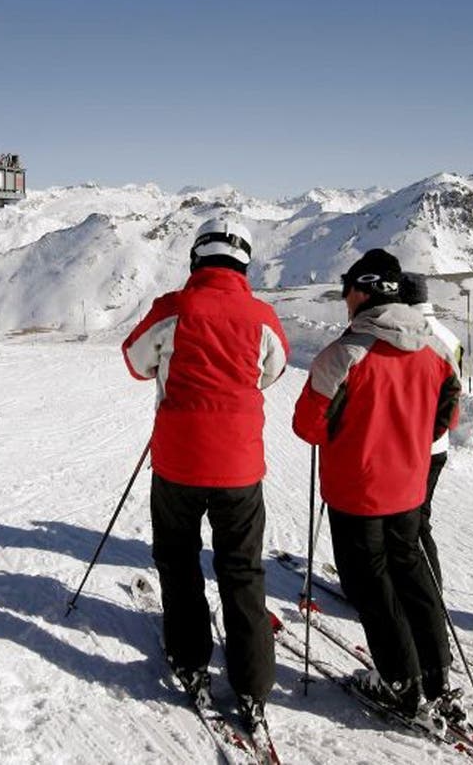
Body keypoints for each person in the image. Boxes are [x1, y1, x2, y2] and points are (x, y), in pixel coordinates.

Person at [122, 216, 288, 738]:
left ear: (197, 258)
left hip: (179, 461)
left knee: (178, 561)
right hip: (240, 466)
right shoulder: (263, 317)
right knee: (242, 571)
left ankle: (190, 658)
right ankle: (254, 685)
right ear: (245, 264)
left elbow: (135, 361)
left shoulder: (172, 308)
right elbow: (272, 371)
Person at [292, 249, 461, 722]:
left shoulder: (344, 354)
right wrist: (408, 443)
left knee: (371, 584)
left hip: (356, 492)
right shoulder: (434, 349)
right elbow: (447, 418)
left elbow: (308, 427)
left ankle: (400, 682)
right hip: (409, 487)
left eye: (347, 291)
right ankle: (437, 674)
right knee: (412, 573)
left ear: (362, 292)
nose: (345, 300)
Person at [398, 272, 463, 589]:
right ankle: (422, 587)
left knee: (411, 520)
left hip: (410, 442)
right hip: (438, 442)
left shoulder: (410, 334)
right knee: (419, 516)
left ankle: (428, 590)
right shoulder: (450, 337)